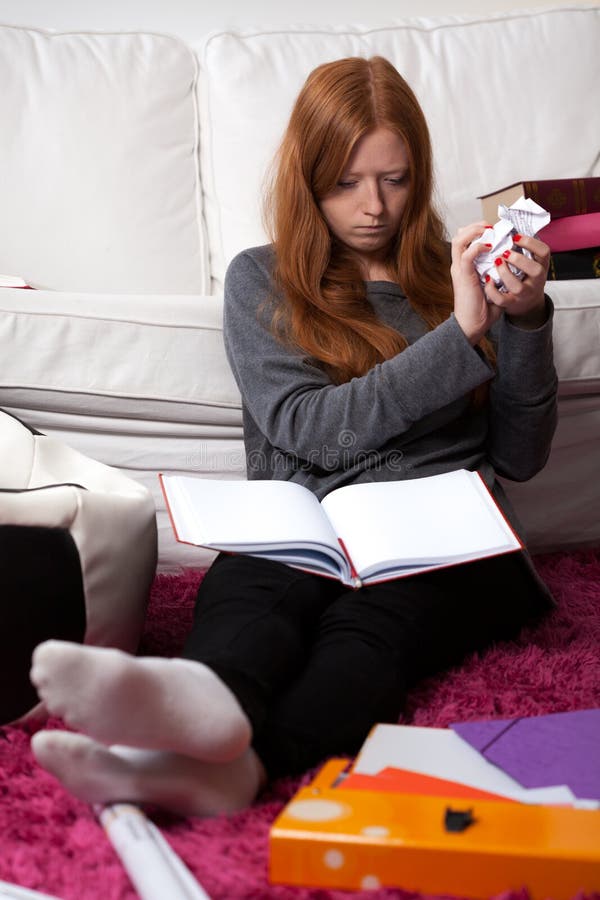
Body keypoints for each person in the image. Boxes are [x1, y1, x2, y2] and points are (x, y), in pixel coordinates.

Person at [29, 56, 557, 818]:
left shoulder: (460, 279)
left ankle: (244, 764)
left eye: (396, 179)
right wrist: (457, 341)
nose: (374, 207)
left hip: (445, 537)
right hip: (314, 517)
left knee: (368, 629)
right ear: (306, 181)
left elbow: (520, 458)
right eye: (345, 183)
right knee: (254, 583)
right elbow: (310, 433)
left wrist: (525, 322)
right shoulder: (261, 279)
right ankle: (203, 701)